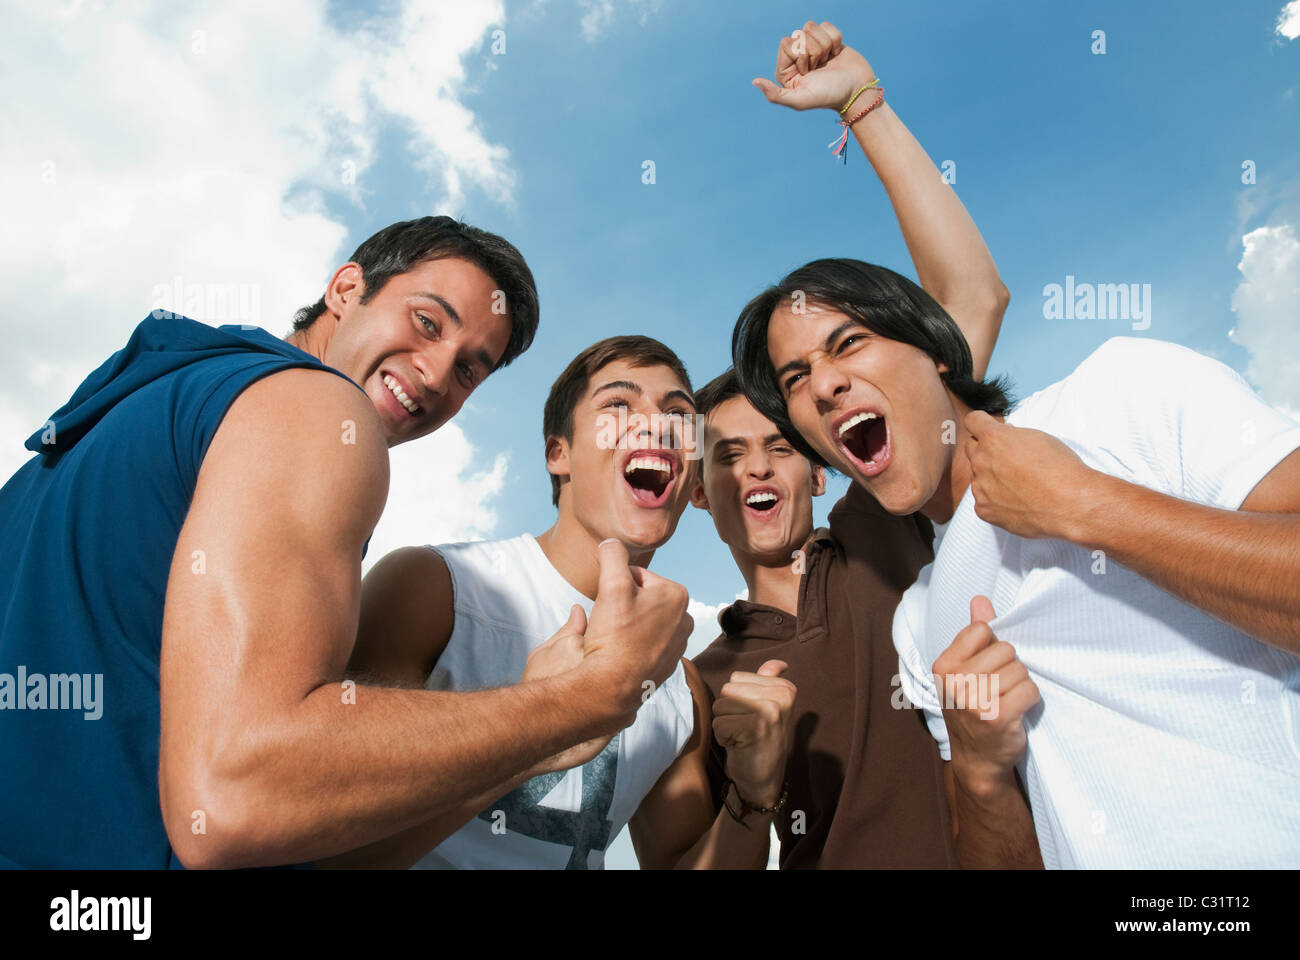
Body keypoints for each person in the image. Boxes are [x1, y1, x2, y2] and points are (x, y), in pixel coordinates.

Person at [0, 216, 690, 869]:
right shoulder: (315, 413)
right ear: (346, 288)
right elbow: (234, 792)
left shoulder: (103, 431)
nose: (436, 373)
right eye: (426, 322)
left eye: (470, 370)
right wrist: (584, 698)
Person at [732, 231, 1300, 865]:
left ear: (934, 349)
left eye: (849, 343)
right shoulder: (921, 622)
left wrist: (1087, 505)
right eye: (797, 377)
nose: (824, 385)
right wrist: (979, 773)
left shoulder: (1116, 393)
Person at [686, 21, 1037, 868]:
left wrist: (861, 105)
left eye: (776, 443)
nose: (756, 467)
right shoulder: (703, 678)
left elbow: (970, 301)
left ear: (818, 459)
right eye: (725, 456)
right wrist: (752, 791)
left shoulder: (881, 534)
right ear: (698, 492)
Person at [329, 336, 798, 869]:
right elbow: (321, 846)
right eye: (617, 405)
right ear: (560, 454)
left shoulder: (680, 685)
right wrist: (545, 729)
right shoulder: (434, 589)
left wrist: (752, 799)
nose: (657, 424)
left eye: (678, 415)